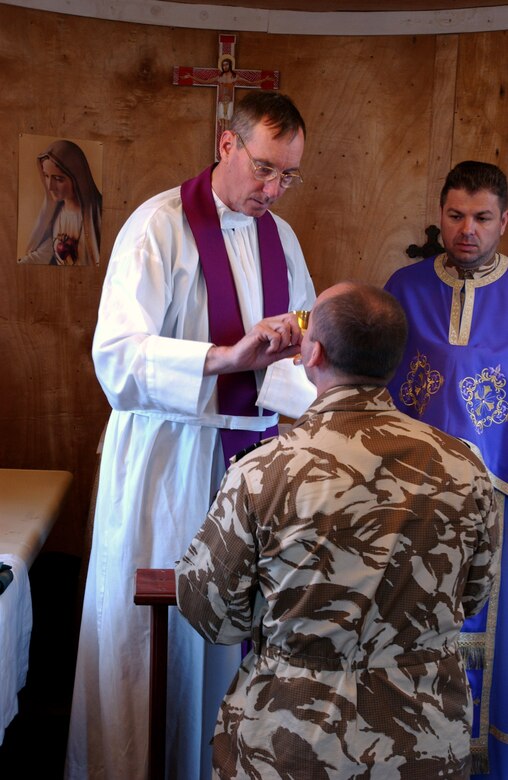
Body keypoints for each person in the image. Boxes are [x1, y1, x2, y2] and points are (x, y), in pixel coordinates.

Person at [64, 91, 315, 780]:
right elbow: (116, 356)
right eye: (264, 168)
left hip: (253, 458)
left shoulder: (281, 239)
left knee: (236, 635)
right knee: (160, 627)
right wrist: (225, 359)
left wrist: (290, 354)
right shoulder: (159, 226)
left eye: (289, 174)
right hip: (170, 456)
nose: (273, 189)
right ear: (226, 144)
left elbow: (299, 343)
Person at [176, 280, 500, 780]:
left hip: (289, 745)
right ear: (396, 358)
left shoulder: (262, 472)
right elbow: (474, 594)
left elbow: (210, 614)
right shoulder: (465, 467)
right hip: (424, 744)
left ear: (313, 354)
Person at [384, 160, 508, 778]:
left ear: (503, 222)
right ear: (440, 214)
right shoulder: (403, 289)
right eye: (456, 215)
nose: (468, 230)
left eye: (482, 218)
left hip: (501, 500)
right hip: (416, 500)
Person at [18, 139, 102, 266]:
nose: (50, 186)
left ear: (77, 178)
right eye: (46, 176)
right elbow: (44, 254)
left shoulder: (98, 214)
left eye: (58, 179)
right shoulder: (56, 214)